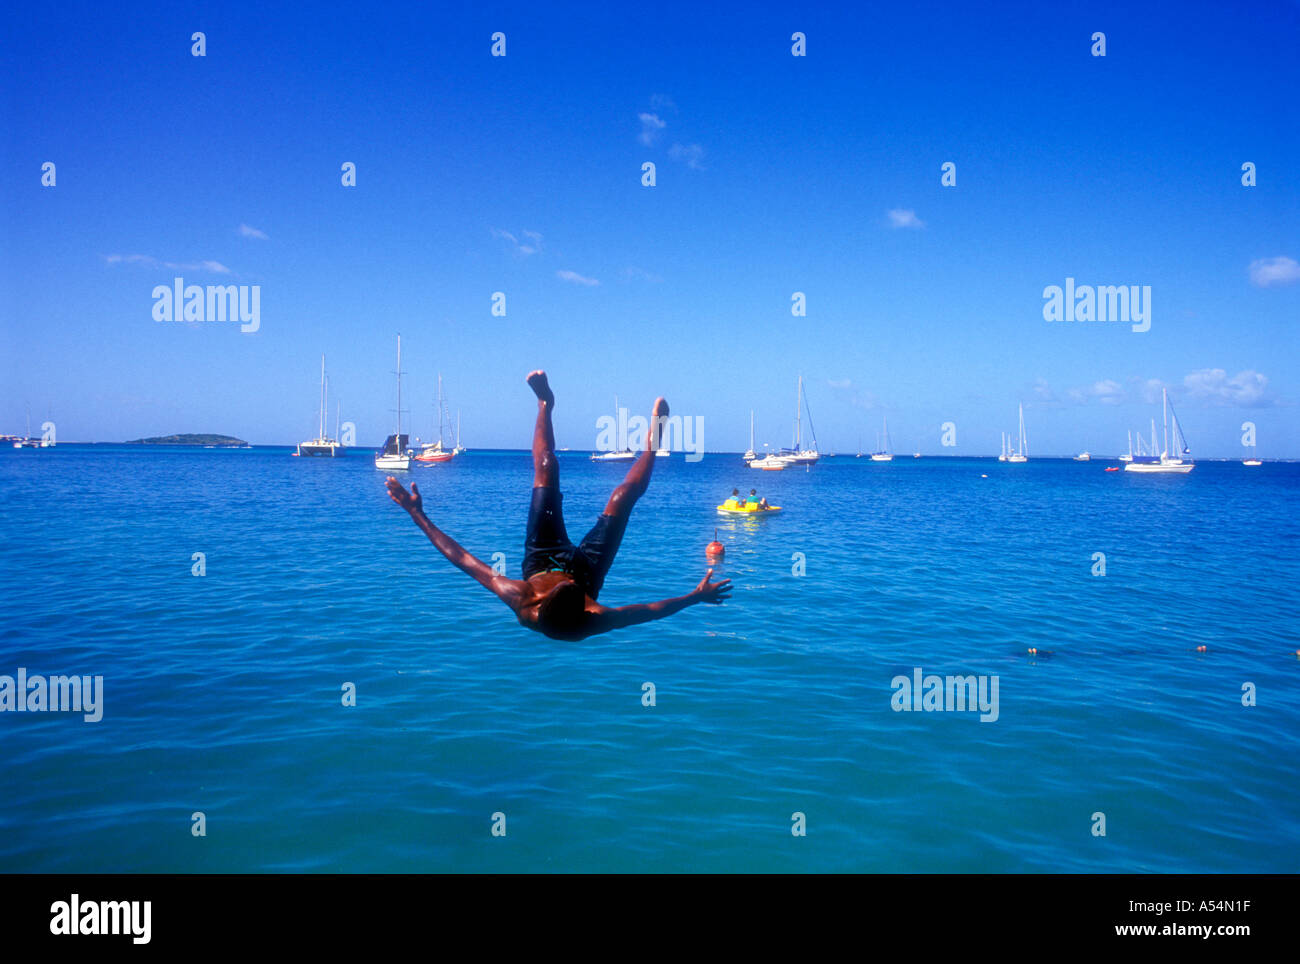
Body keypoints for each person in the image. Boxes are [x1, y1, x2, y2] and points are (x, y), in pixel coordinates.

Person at [385, 370, 731, 640]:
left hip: (541, 555)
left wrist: (417, 514)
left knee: (547, 466)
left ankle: (544, 404)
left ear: (543, 600)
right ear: (584, 605)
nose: (564, 582)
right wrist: (694, 597)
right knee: (623, 497)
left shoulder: (519, 597)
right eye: (571, 590)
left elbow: (462, 559)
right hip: (588, 570)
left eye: (561, 588)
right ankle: (655, 437)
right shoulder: (596, 618)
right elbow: (647, 610)